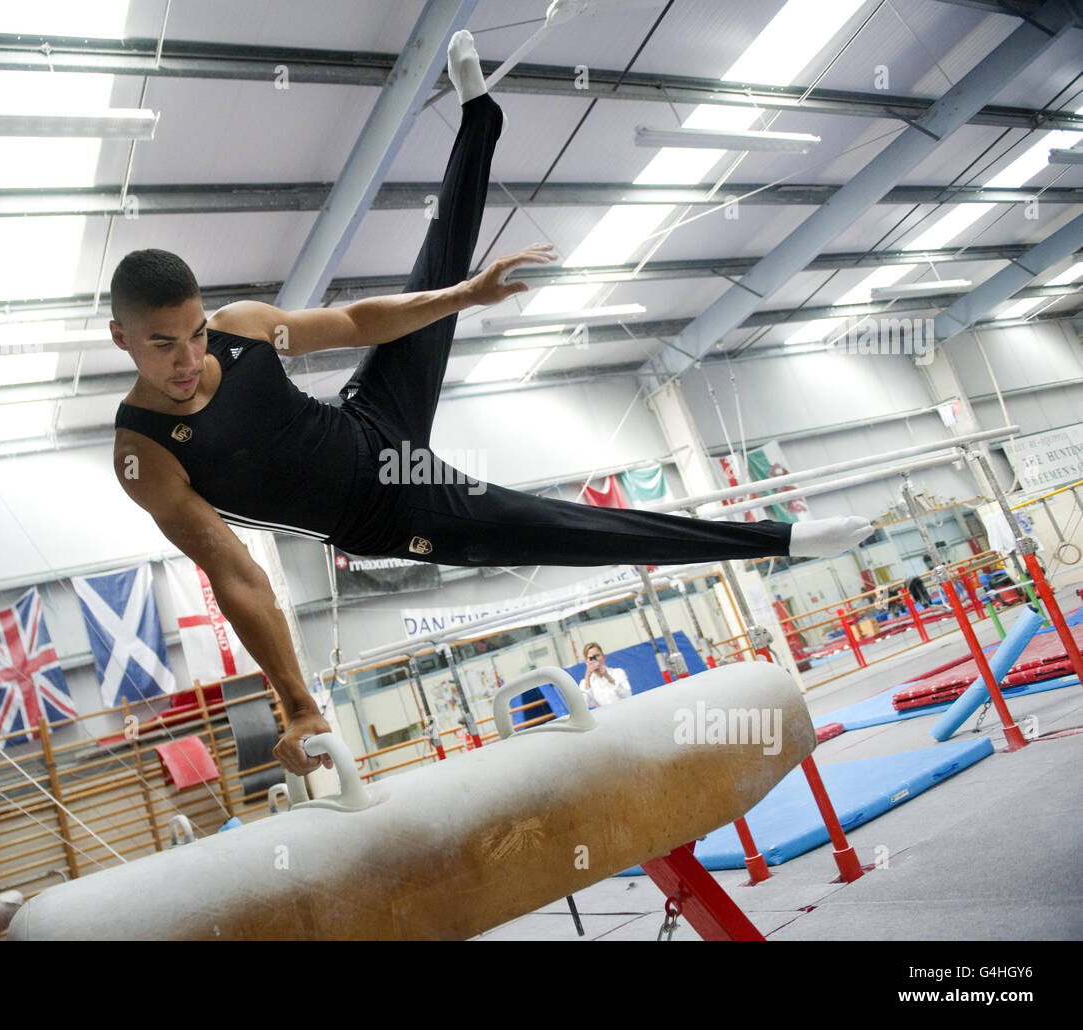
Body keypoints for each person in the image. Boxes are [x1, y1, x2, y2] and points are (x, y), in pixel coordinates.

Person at [109, 30, 873, 776]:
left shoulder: (242, 328)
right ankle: (779, 541)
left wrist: (465, 298)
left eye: (195, 333)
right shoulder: (145, 452)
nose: (188, 359)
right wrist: (299, 703)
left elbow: (352, 323)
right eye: (161, 345)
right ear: (122, 340)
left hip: (373, 416)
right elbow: (235, 573)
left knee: (434, 281)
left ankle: (479, 117)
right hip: (398, 513)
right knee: (572, 529)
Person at [580, 642, 632, 708]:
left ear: (604, 657)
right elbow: (585, 705)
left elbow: (627, 695)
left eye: (597, 656)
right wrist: (587, 677)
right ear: (586, 661)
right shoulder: (584, 683)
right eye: (591, 658)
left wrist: (607, 676)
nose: (595, 660)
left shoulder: (617, 673)